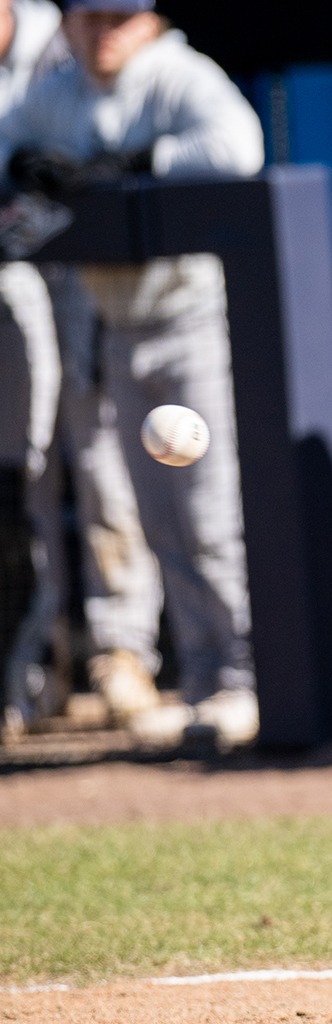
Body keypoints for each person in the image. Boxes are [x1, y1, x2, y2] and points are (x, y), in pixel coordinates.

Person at [1, 0, 265, 748]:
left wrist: (143, 166)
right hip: (113, 325)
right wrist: (25, 168)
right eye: (92, 17)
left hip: (190, 320)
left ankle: (245, 676)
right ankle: (205, 679)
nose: (105, 31)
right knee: (156, 521)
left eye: (122, 16)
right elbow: (10, 145)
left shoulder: (179, 75)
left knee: (212, 515)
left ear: (149, 20)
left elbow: (238, 148)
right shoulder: (55, 94)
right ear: (70, 23)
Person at [0, 0, 62, 740]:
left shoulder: (57, 58)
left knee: (59, 484)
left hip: (71, 301)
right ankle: (26, 674)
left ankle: (112, 657)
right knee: (16, 494)